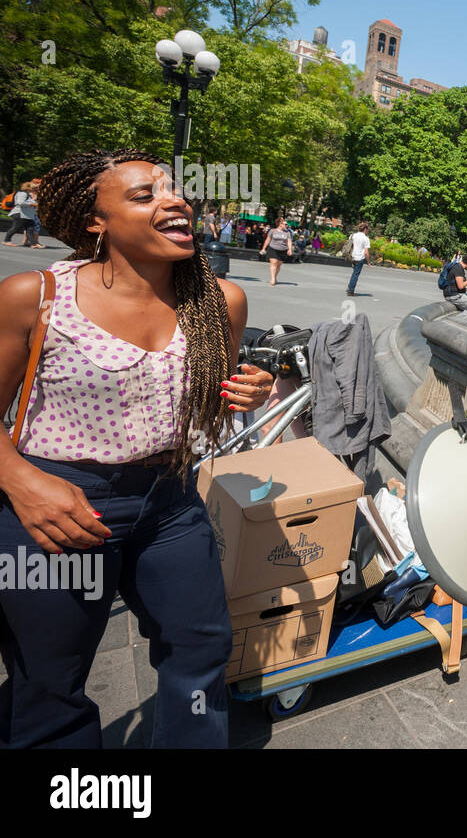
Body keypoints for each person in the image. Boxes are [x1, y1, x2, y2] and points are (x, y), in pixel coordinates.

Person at [0, 148, 275, 747]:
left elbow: (212, 394)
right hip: (60, 501)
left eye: (173, 189)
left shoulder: (219, 301)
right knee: (50, 675)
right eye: (144, 195)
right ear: (95, 221)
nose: (174, 199)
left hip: (169, 504)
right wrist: (23, 483)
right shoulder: (36, 295)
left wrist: (247, 390)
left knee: (200, 649)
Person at [3, 181, 42, 248]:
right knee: (15, 228)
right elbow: (20, 203)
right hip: (20, 214)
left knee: (30, 229)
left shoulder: (27, 194)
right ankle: (6, 240)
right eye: (33, 188)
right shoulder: (22, 194)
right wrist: (33, 204)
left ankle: (33, 244)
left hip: (27, 215)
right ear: (28, 188)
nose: (34, 189)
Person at [260, 215, 293, 286]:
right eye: (285, 224)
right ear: (280, 224)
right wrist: (263, 248)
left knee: (278, 265)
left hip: (283, 250)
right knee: (274, 263)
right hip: (273, 249)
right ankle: (272, 279)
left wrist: (290, 249)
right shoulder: (272, 231)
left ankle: (275, 276)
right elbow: (268, 240)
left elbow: (289, 241)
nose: (287, 225)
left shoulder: (287, 233)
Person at [345, 221, 371, 296]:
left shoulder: (352, 235)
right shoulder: (366, 239)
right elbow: (366, 252)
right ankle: (350, 291)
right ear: (365, 229)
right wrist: (368, 262)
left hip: (352, 257)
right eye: (367, 230)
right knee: (356, 274)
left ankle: (349, 287)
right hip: (360, 258)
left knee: (354, 273)